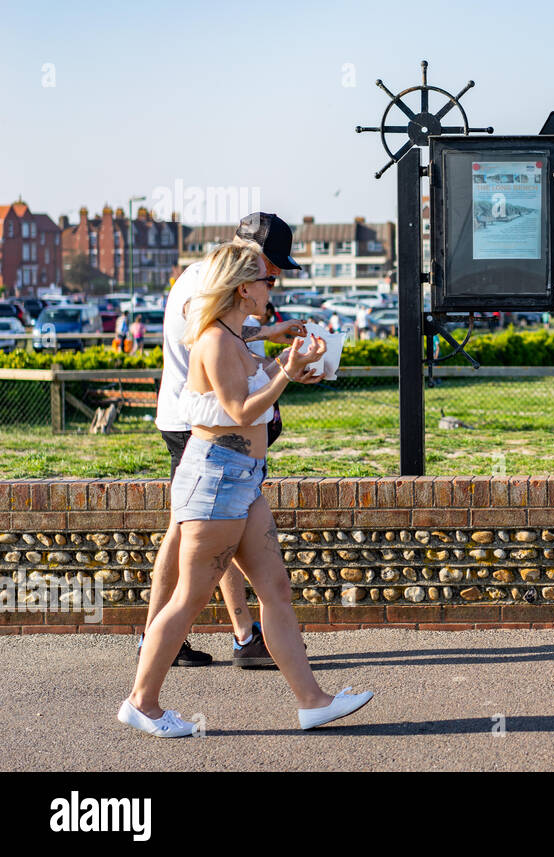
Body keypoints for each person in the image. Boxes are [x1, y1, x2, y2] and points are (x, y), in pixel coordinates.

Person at [119, 241, 373, 737]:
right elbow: (241, 410)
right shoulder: (215, 340)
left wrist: (293, 361)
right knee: (190, 599)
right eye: (267, 280)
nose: (272, 287)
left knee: (276, 590)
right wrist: (286, 368)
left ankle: (313, 701)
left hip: (242, 478)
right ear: (242, 287)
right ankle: (141, 703)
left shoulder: (238, 334)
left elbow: (256, 371)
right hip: (215, 479)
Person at [149, 212, 310, 669]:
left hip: (220, 430)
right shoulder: (203, 282)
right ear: (245, 256)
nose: (274, 276)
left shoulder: (224, 288)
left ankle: (238, 636)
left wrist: (277, 349)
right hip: (201, 428)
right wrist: (283, 369)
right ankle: (161, 646)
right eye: (268, 266)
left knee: (212, 533)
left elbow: (232, 340)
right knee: (190, 538)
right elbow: (210, 338)